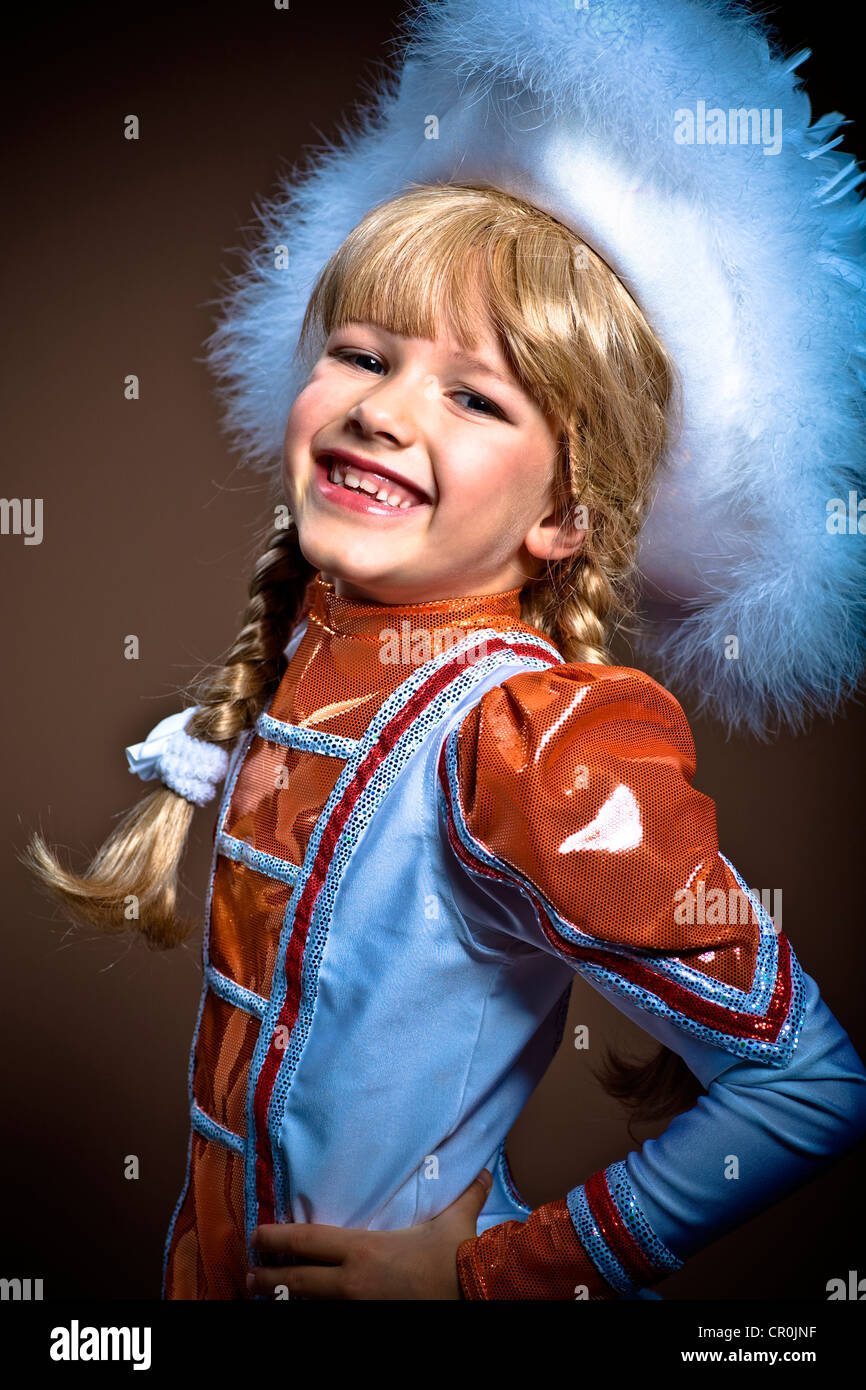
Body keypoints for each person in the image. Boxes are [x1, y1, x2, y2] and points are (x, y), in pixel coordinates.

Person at [24, 0, 866, 1301]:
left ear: (566, 516)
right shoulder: (318, 652)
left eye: (475, 395)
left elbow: (807, 1084)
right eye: (360, 352)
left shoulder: (542, 747)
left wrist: (491, 1273)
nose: (377, 407)